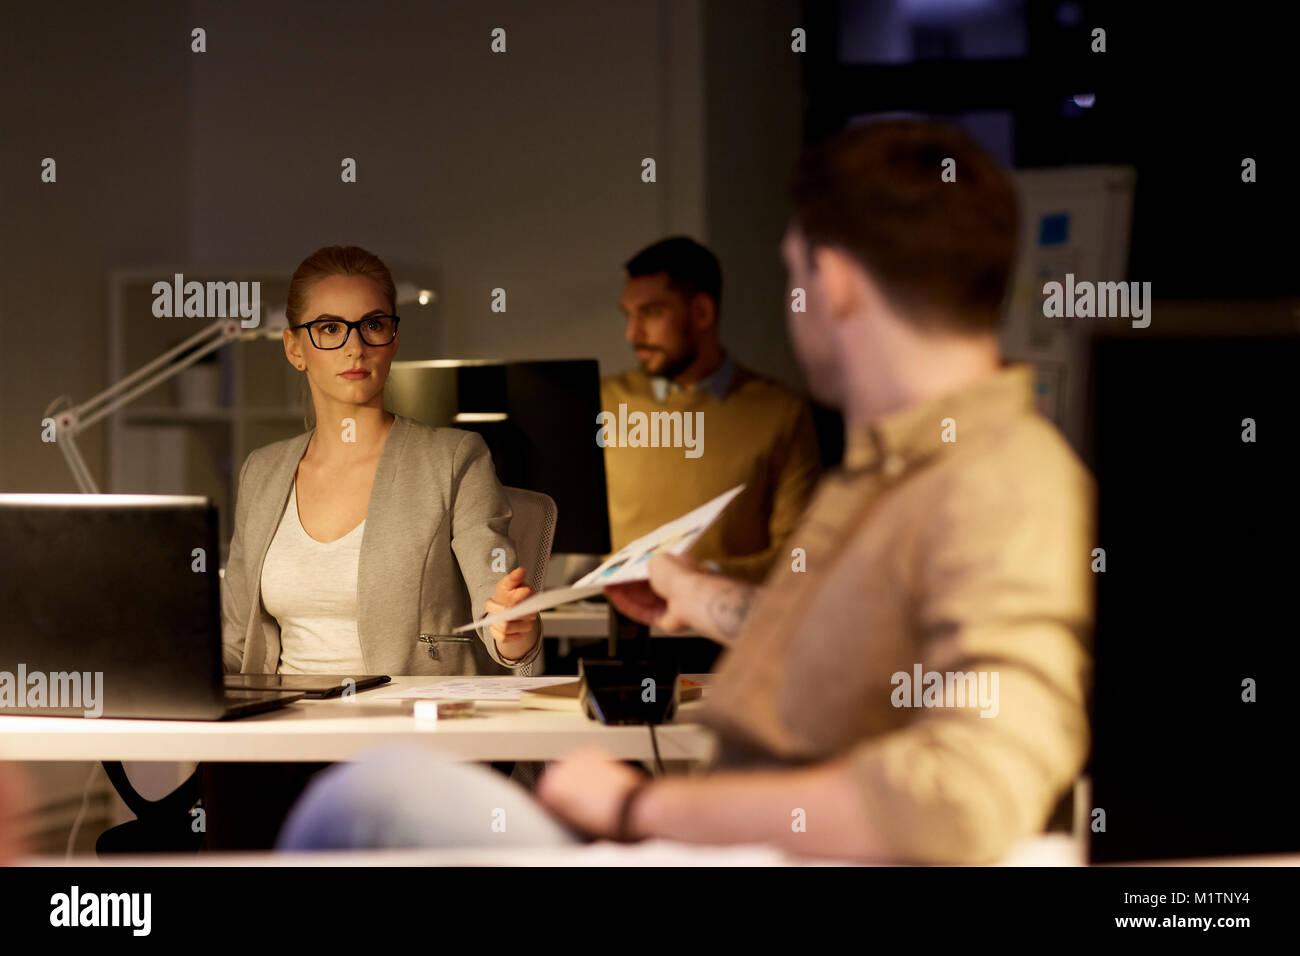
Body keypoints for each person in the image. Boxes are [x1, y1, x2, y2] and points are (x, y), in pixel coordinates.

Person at [276, 121, 1095, 865]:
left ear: (836, 282)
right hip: (706, 833)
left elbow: (964, 795)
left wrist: (638, 805)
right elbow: (851, 644)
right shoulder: (898, 465)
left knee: (373, 797)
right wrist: (701, 600)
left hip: (721, 846)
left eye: (794, 276)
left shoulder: (999, 480)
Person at [204, 245, 540, 850]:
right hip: (280, 737)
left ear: (392, 338)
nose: (354, 346)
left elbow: (498, 608)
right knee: (232, 790)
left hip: (408, 739)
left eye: (373, 325)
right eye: (329, 329)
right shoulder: (263, 470)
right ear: (295, 348)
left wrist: (513, 631)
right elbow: (235, 642)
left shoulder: (453, 458)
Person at [602, 237, 821, 583]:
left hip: (730, 629)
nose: (633, 333)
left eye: (652, 312)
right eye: (629, 315)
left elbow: (797, 554)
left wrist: (699, 578)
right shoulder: (604, 402)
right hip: (613, 631)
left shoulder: (780, 412)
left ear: (702, 312)